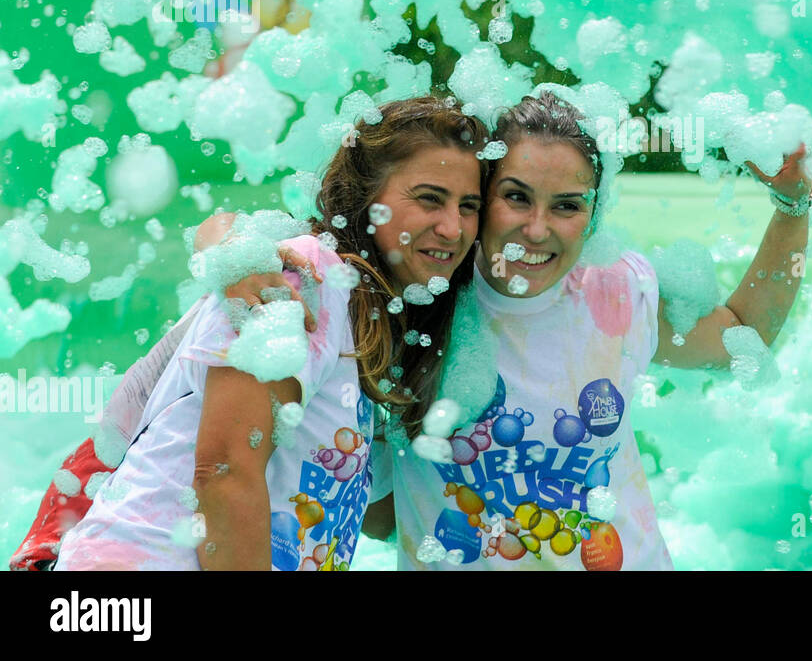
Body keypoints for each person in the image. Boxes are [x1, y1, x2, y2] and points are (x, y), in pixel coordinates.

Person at [25, 96, 488, 571]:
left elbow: (377, 515)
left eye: (468, 206)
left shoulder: (368, 329)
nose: (453, 227)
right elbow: (224, 472)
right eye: (429, 198)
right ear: (368, 199)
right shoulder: (305, 280)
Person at [357, 89, 812, 570]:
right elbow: (376, 511)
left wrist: (792, 207)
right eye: (517, 197)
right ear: (481, 199)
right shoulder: (420, 302)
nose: (537, 229)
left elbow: (744, 337)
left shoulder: (614, 294)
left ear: (593, 216)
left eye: (567, 206)